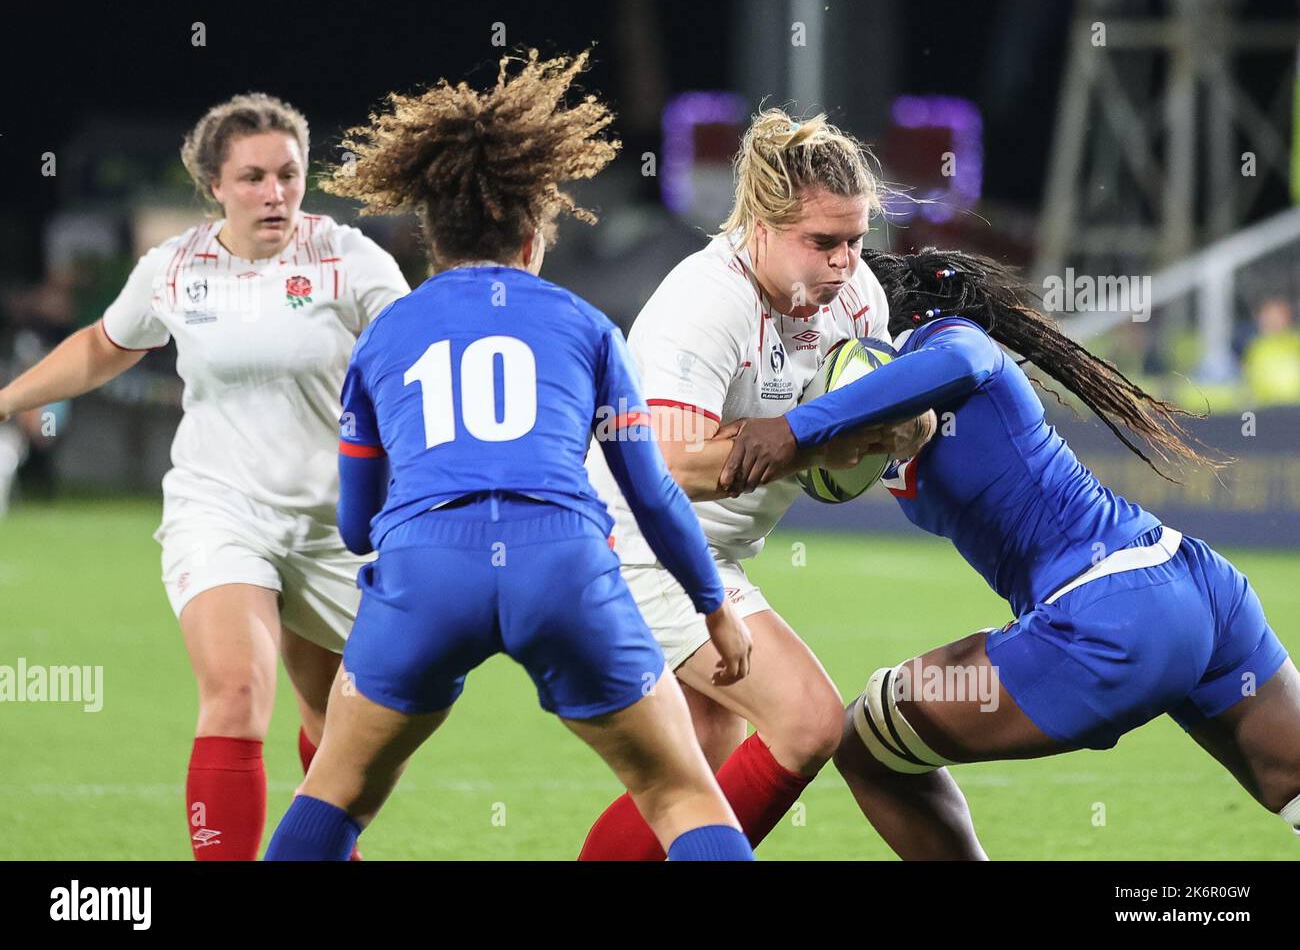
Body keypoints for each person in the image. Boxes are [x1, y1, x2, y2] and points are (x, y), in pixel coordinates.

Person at [264, 49, 756, 862]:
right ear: (534, 237)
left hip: (427, 567)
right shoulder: (588, 325)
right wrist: (713, 605)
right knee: (679, 792)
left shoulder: (384, 335)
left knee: (336, 793)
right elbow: (653, 494)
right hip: (561, 564)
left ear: (430, 239)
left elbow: (355, 526)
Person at [719, 247, 1300, 858]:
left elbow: (963, 358)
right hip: (1192, 585)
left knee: (866, 745)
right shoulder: (879, 400)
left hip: (1110, 612)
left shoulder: (942, 339)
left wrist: (794, 430)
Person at [0, 93, 411, 859]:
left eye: (288, 173)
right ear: (214, 185)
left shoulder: (349, 259)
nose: (275, 192)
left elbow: (416, 357)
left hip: (338, 524)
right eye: (252, 176)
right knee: (236, 694)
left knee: (336, 728)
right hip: (221, 510)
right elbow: (103, 345)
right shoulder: (176, 267)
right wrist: (6, 401)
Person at [578, 110, 935, 859]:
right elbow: (671, 466)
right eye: (823, 243)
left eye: (856, 239)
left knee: (695, 767)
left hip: (713, 554)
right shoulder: (703, 304)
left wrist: (905, 428)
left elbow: (897, 421)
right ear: (761, 228)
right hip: (635, 541)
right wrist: (819, 444)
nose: (844, 262)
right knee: (807, 722)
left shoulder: (856, 293)